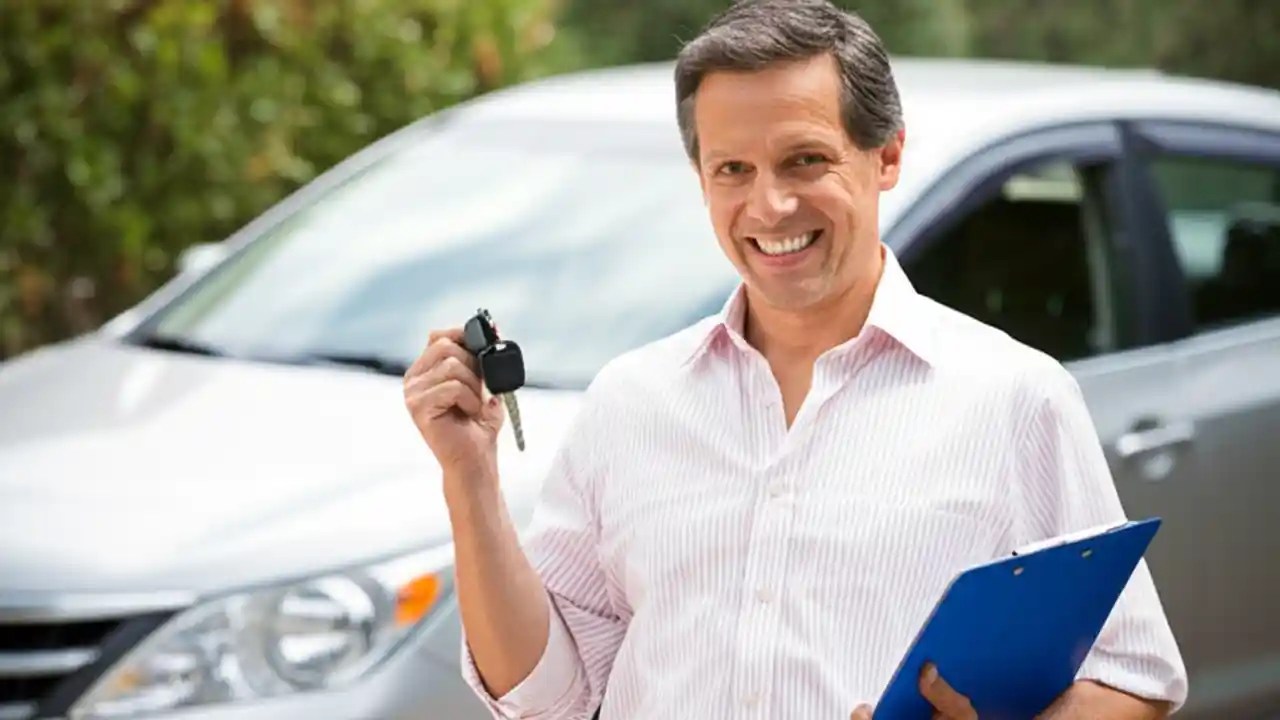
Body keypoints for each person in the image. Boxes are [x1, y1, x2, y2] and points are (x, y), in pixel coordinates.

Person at [402, 1, 1189, 717]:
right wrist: (470, 480)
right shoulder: (629, 403)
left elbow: (1135, 679)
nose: (769, 207)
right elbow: (545, 697)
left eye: (805, 160)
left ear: (885, 158)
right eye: (732, 170)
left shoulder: (1015, 398)